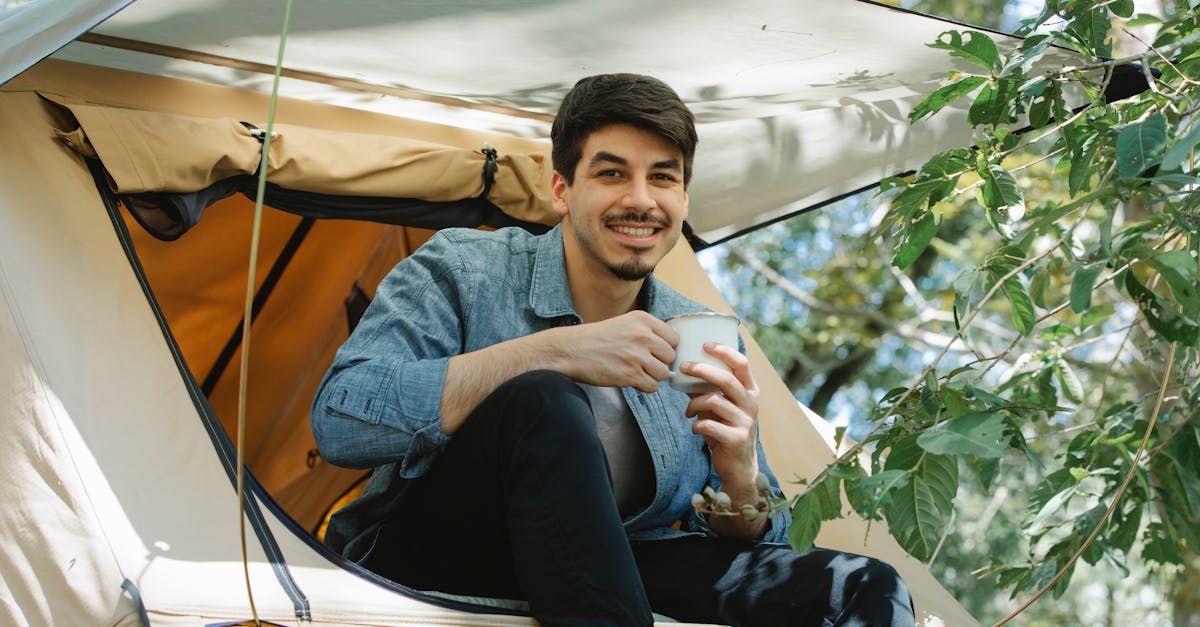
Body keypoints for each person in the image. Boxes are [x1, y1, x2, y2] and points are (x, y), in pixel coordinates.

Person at [311, 73, 915, 627]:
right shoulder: (464, 267)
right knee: (542, 399)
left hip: (617, 563)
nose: (640, 200)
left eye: (663, 176)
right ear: (561, 189)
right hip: (437, 555)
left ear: (682, 199)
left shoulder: (694, 328)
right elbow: (341, 421)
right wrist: (551, 352)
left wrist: (740, 480)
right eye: (611, 173)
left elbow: (765, 538)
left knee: (861, 586)